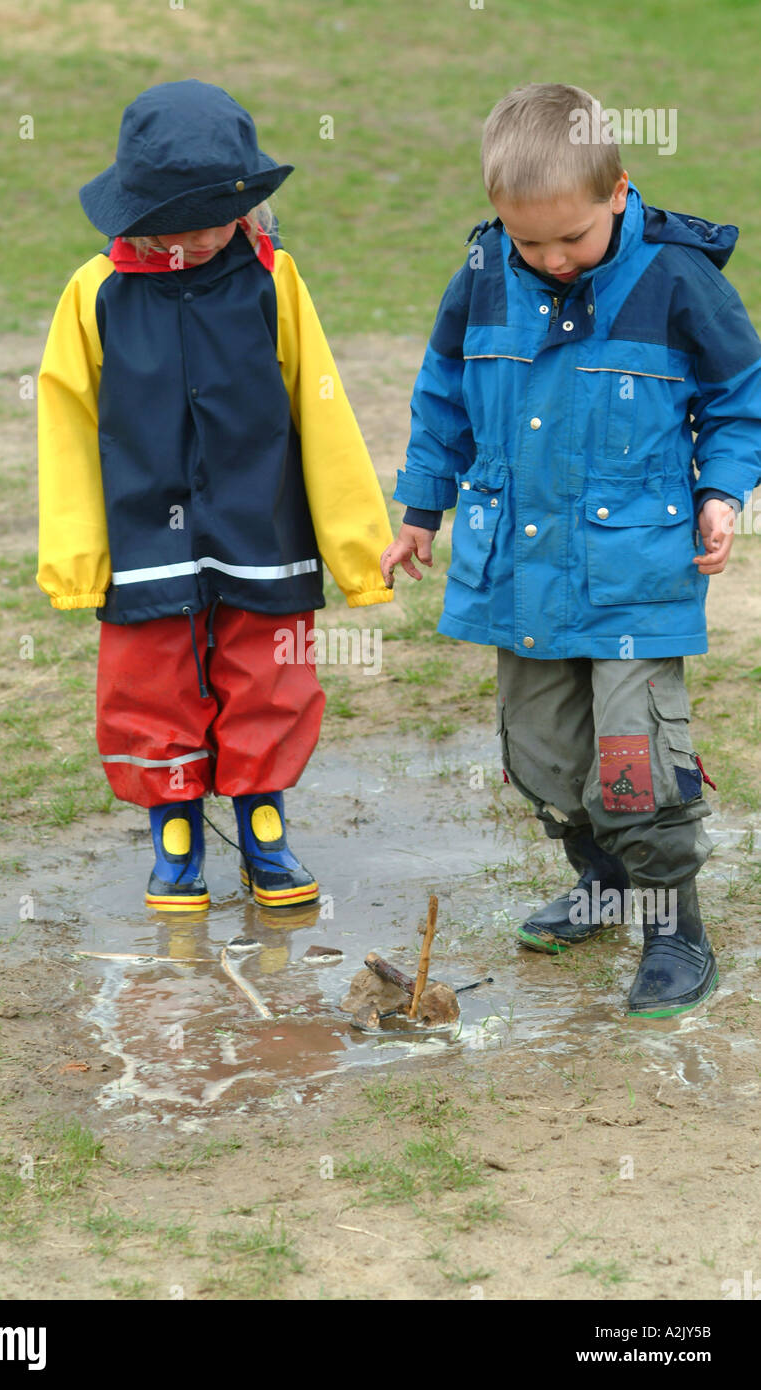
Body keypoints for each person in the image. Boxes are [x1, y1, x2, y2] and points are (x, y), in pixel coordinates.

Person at [382, 83, 761, 1018]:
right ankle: (599, 882)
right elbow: (442, 398)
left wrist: (721, 493)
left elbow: (739, 394)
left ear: (620, 192)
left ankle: (675, 927)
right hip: (520, 572)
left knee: (633, 765)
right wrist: (420, 509)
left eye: (573, 239)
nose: (550, 260)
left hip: (635, 576)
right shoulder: (480, 272)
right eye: (530, 242)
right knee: (543, 760)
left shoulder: (677, 277)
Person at [37, 80, 393, 913]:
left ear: (246, 206)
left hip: (261, 527)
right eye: (175, 227)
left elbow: (321, 403)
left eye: (209, 225)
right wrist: (78, 558)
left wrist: (355, 546)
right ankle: (174, 830)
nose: (193, 243)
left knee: (273, 676)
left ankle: (263, 822)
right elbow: (64, 428)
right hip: (141, 540)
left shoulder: (276, 279)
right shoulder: (93, 293)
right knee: (149, 685)